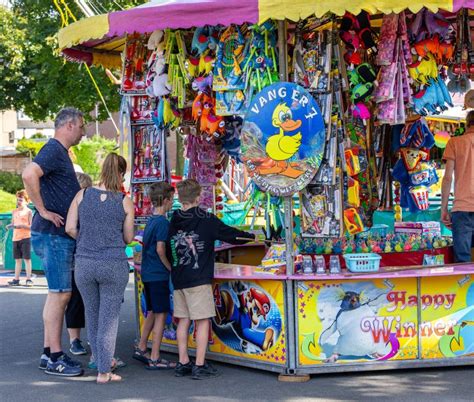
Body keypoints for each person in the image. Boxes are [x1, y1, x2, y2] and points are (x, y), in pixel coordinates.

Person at [168, 179, 255, 380]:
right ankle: (199, 364)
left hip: (179, 277)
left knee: (183, 320)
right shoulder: (206, 219)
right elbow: (231, 235)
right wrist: (251, 237)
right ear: (198, 197)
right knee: (202, 320)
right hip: (198, 278)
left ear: (180, 198)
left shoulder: (174, 219)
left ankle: (183, 362)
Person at [22, 107, 85, 377]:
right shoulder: (54, 149)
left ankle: (49, 353)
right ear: (69, 125)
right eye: (82, 126)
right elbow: (28, 174)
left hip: (52, 234)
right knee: (61, 295)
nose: (84, 131)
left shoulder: (57, 152)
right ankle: (57, 356)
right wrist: (43, 210)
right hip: (53, 235)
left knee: (56, 295)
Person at [66, 153, 134, 384]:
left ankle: (99, 361)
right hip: (113, 264)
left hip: (84, 263)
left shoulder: (82, 194)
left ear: (102, 169)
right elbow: (128, 237)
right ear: (122, 173)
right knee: (109, 320)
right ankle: (104, 371)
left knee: (92, 315)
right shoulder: (124, 200)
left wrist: (87, 240)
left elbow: (70, 228)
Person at [134, 181, 177, 370]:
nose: (172, 203)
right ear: (166, 200)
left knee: (152, 311)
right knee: (161, 314)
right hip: (158, 274)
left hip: (148, 272)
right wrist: (170, 267)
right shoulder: (163, 223)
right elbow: (161, 249)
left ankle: (142, 345)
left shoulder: (151, 220)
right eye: (172, 199)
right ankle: (155, 356)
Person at [442, 110, 474, 262]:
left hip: (461, 208)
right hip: (462, 209)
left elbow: (448, 178)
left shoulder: (454, 142)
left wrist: (443, 209)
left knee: (462, 259)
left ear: (467, 124)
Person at [66, 173, 92, 356]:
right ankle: (75, 339)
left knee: (79, 300)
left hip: (81, 258)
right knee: (78, 300)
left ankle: (76, 339)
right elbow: (70, 229)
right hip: (79, 257)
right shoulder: (74, 207)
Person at [7, 190, 33, 287]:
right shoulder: (14, 212)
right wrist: (10, 226)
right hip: (15, 238)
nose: (19, 202)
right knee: (17, 260)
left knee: (27, 259)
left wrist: (22, 226)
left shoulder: (29, 212)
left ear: (27, 201)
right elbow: (13, 224)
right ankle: (16, 279)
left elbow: (32, 226)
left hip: (26, 237)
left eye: (21, 200)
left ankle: (28, 279)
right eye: (18, 200)